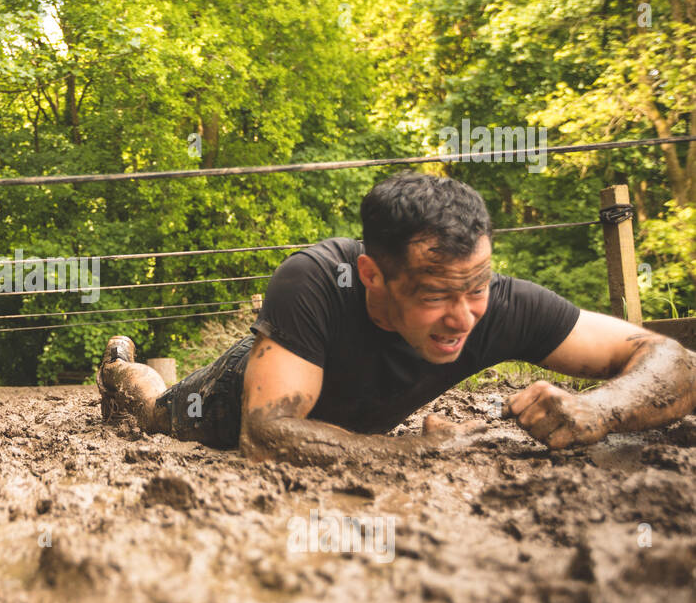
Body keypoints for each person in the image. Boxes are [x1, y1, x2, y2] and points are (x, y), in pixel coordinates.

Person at [96, 172, 696, 464]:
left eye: (478, 287)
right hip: (219, 407)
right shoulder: (312, 279)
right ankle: (119, 368)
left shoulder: (493, 302)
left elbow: (677, 363)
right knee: (149, 409)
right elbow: (267, 437)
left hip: (346, 426)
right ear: (373, 276)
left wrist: (601, 408)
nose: (463, 317)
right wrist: (419, 452)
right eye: (436, 295)